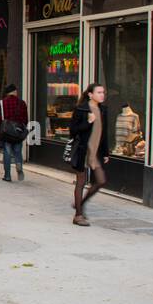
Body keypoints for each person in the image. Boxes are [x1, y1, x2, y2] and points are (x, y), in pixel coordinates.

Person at [68, 83, 110, 226]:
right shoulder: (81, 109)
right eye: (99, 92)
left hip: (95, 152)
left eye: (103, 92)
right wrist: (88, 122)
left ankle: (80, 203)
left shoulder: (103, 110)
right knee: (80, 182)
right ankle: (78, 215)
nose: (102, 95)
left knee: (101, 181)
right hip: (82, 151)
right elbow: (73, 131)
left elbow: (104, 133)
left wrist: (105, 152)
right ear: (90, 95)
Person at [0, 84, 29, 182]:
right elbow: (25, 120)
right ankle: (19, 166)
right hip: (17, 132)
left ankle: (7, 176)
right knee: (18, 152)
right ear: (15, 91)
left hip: (6, 133)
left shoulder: (2, 103)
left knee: (7, 153)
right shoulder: (22, 103)